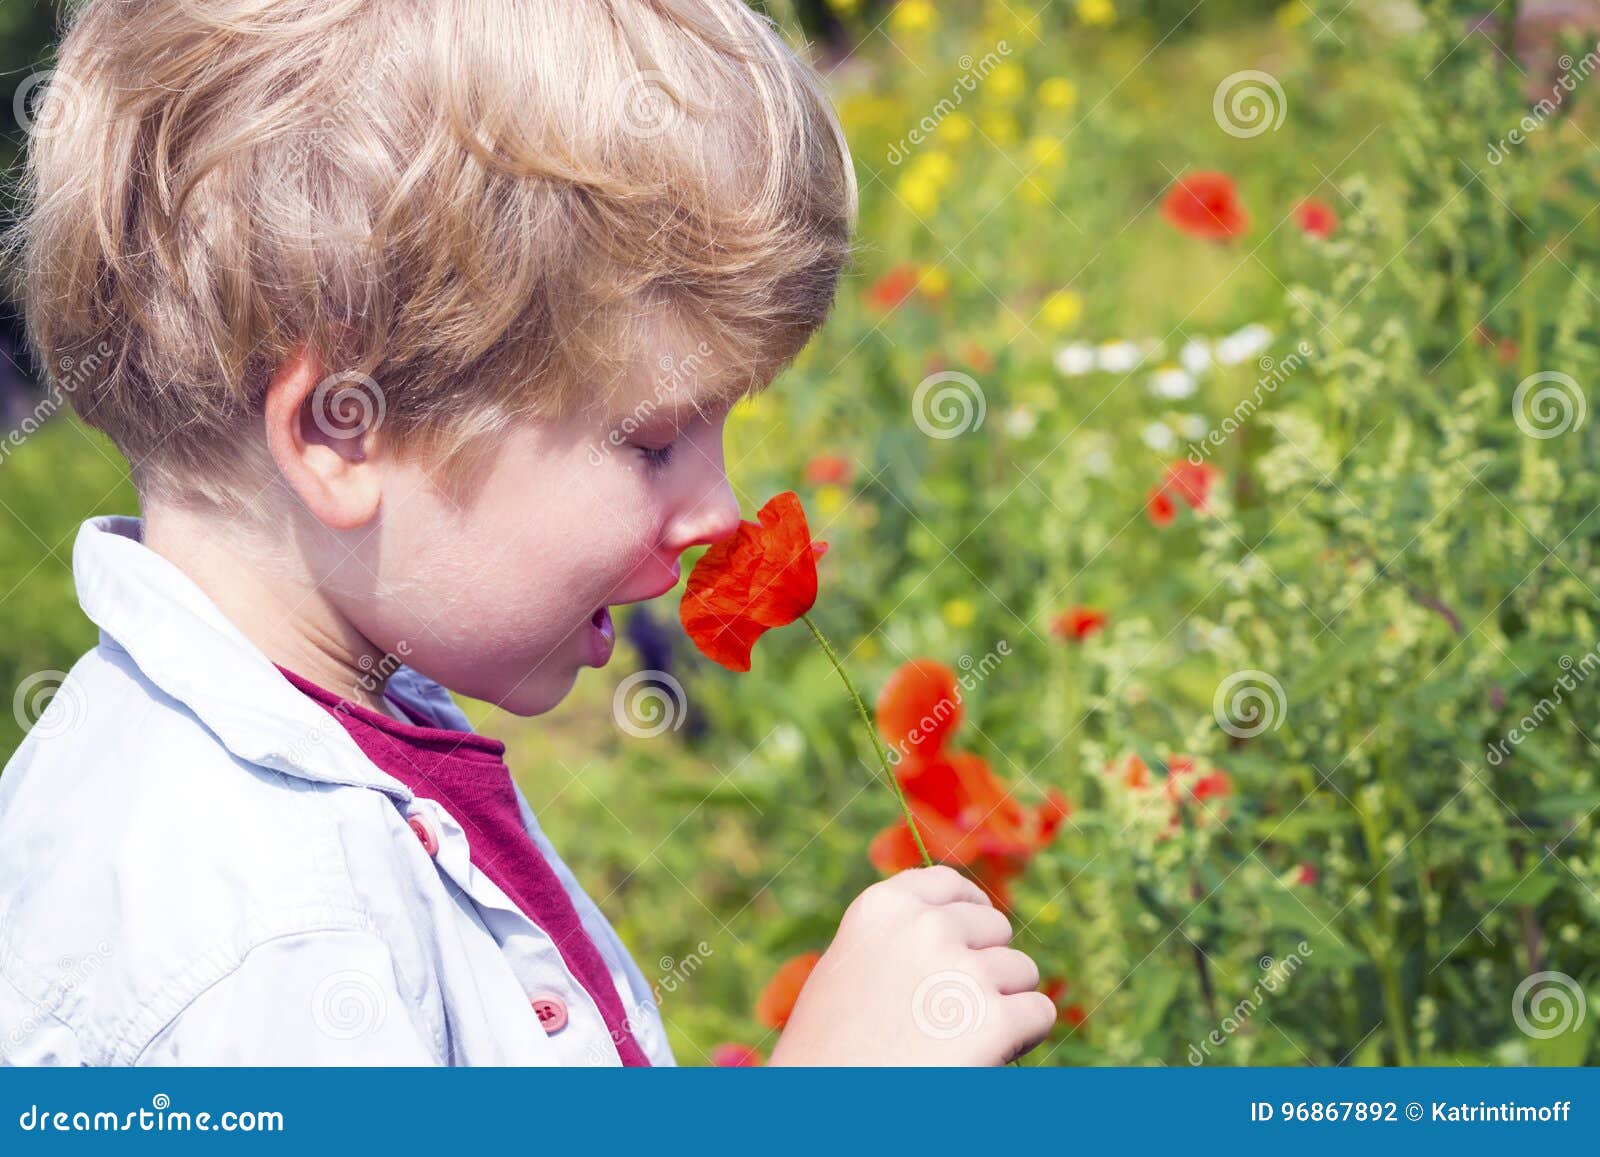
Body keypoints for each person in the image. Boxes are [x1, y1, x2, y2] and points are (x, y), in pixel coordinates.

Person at [0, 0, 1055, 1066]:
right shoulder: (267, 936)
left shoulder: (354, 723)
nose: (721, 513)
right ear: (341, 431)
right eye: (651, 442)